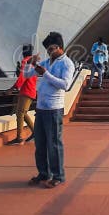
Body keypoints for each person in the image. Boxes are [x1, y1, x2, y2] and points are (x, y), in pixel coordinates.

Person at [27, 32, 74, 189]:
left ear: (59, 47)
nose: (49, 51)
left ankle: (58, 175)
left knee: (54, 144)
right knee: (40, 143)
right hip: (41, 108)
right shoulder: (47, 62)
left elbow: (66, 85)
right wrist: (31, 63)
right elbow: (27, 74)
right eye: (47, 49)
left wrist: (45, 74)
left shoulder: (67, 63)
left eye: (51, 48)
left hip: (54, 109)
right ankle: (43, 173)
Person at [6, 45, 37, 145]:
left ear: (23, 52)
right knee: (23, 113)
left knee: (20, 113)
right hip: (32, 91)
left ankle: (19, 137)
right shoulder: (33, 63)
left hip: (26, 91)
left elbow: (22, 77)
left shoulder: (25, 61)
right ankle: (35, 132)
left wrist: (12, 88)